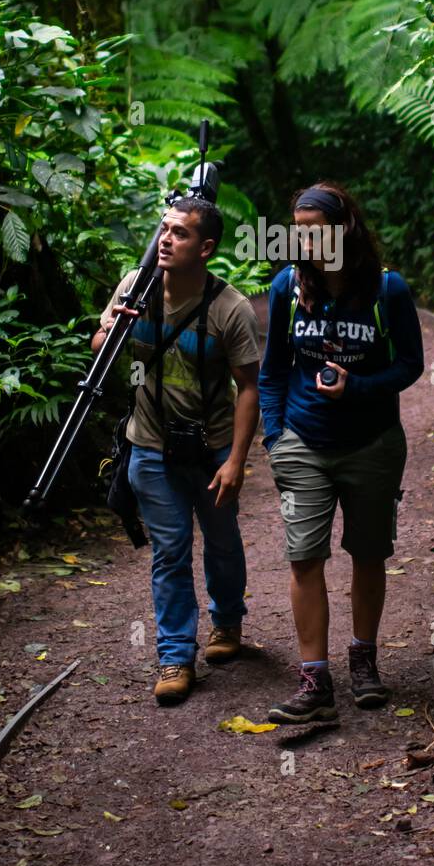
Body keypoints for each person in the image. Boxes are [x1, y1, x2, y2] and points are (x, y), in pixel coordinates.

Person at [258, 181, 424, 722]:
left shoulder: (387, 289)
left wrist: (359, 387)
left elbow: (410, 366)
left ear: (343, 230)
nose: (305, 242)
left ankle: (364, 660)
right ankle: (315, 680)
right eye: (298, 232)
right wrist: (275, 437)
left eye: (316, 231)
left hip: (372, 443)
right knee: (304, 556)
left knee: (368, 552)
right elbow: (273, 371)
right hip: (304, 441)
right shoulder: (287, 287)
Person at [92, 197, 260, 706]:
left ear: (205, 247)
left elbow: (249, 387)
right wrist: (111, 331)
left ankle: (227, 623)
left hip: (210, 449)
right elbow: (100, 344)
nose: (165, 240)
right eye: (164, 230)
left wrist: (236, 459)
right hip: (149, 445)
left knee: (223, 542)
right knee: (169, 552)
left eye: (180, 234)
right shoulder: (134, 284)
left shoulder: (230, 308)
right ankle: (174, 655)